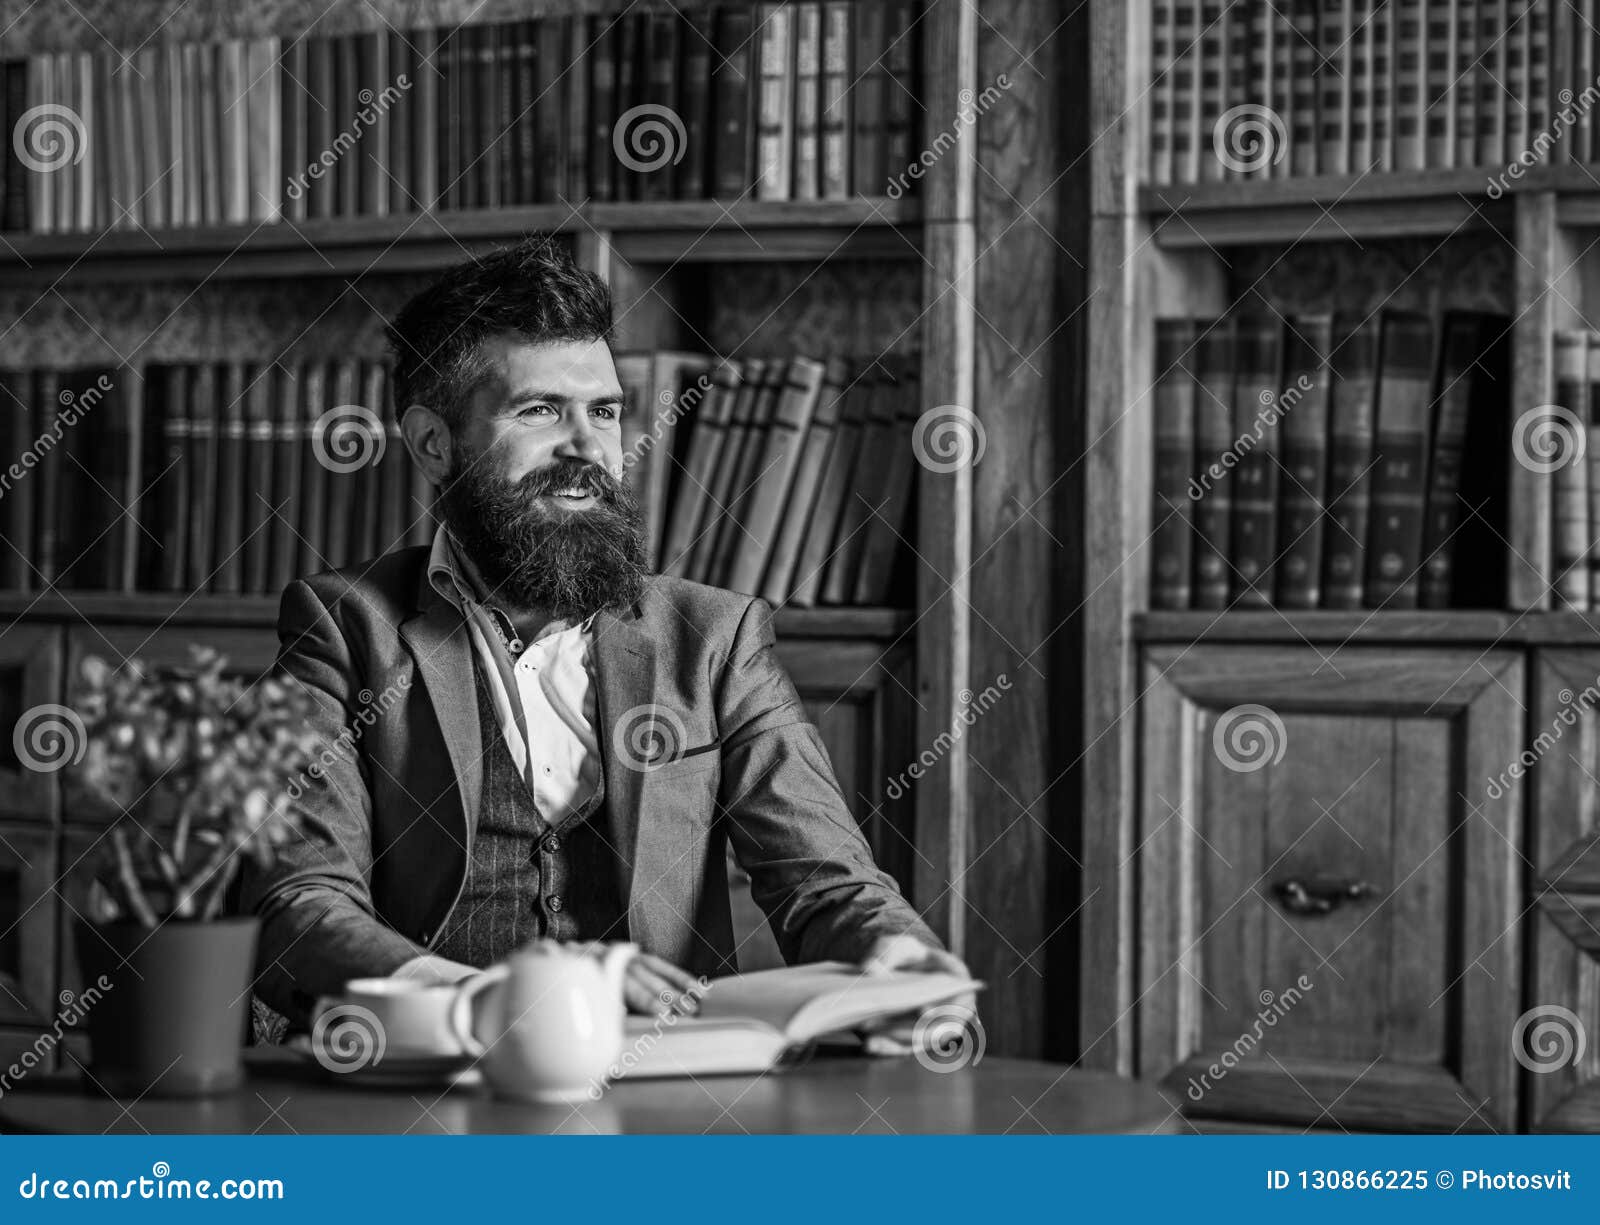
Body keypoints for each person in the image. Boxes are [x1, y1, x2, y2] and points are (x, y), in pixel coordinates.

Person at [239, 239, 967, 1033]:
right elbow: (298, 903)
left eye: (607, 412)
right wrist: (482, 997)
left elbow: (828, 884)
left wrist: (896, 960)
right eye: (541, 410)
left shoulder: (714, 638)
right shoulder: (345, 628)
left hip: (665, 1096)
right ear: (432, 442)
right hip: (434, 1088)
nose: (589, 449)